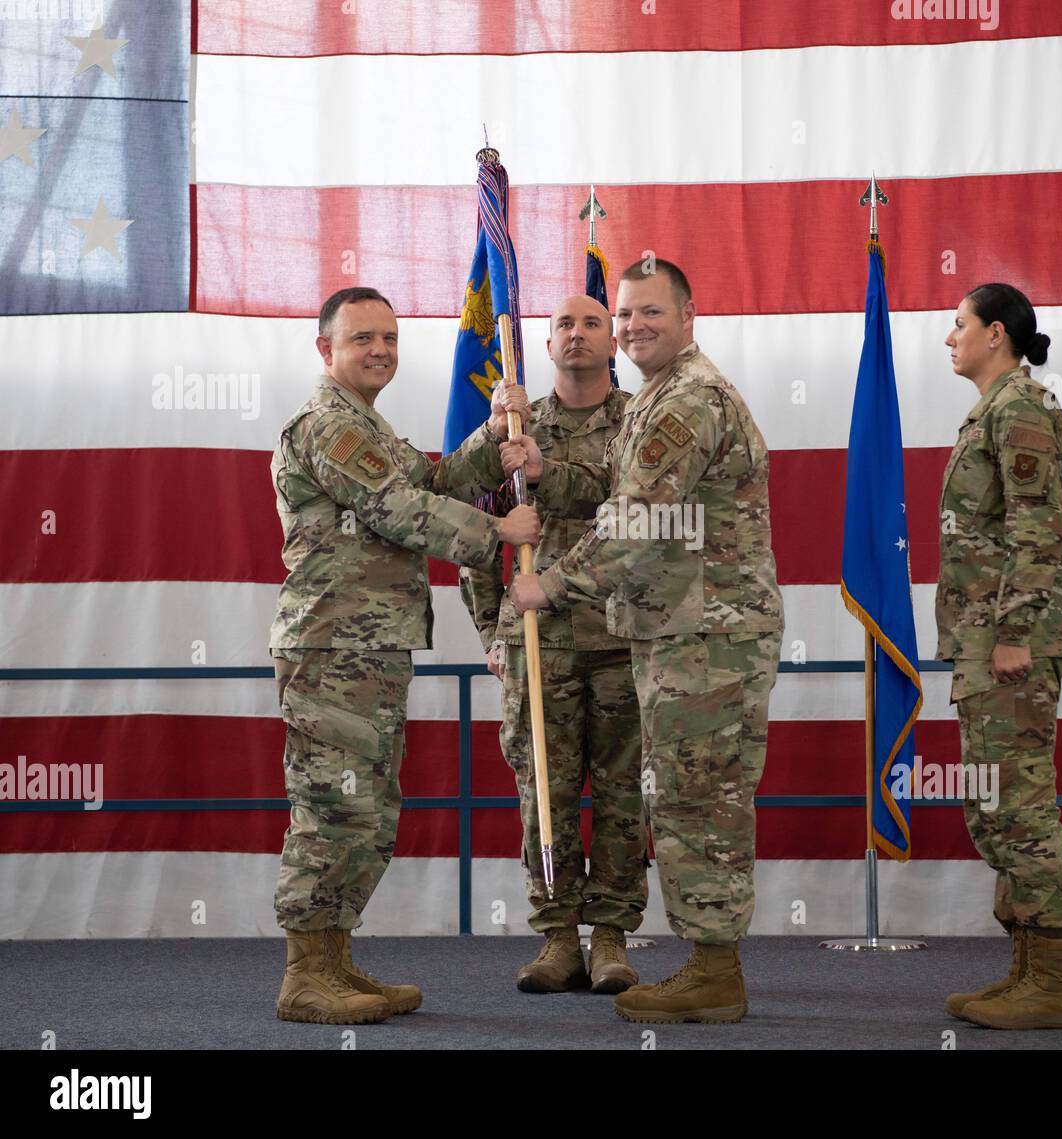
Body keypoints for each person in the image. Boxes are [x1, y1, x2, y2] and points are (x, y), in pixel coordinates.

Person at [503, 259, 783, 1024]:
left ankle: (714, 973)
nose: (631, 327)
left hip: (706, 636)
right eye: (624, 314)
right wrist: (536, 463)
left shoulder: (683, 400)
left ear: (688, 317)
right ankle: (707, 964)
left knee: (701, 805)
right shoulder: (657, 398)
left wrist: (549, 586)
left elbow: (635, 520)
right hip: (684, 632)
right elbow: (609, 494)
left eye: (648, 313)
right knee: (694, 802)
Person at [269, 286, 540, 1024]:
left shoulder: (372, 428)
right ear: (326, 349)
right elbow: (399, 509)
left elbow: (429, 482)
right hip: (332, 648)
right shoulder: (328, 426)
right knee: (330, 806)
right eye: (363, 339)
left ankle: (332, 954)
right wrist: (500, 534)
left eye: (390, 337)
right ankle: (304, 972)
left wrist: (489, 441)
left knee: (367, 808)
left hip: (369, 646)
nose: (381, 350)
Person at [461, 294, 646, 995]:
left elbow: (637, 510)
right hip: (540, 642)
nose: (577, 333)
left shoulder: (638, 420)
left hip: (624, 633)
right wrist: (489, 628)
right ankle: (558, 936)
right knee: (545, 790)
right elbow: (475, 529)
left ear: (614, 341)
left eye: (592, 323)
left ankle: (611, 936)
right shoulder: (513, 423)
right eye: (563, 324)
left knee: (627, 793)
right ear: (545, 344)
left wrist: (549, 476)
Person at [936, 282, 1062, 1030]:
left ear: (996, 333)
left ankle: (1054, 982)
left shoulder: (1021, 408)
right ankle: (1027, 967)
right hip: (983, 642)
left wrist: (1016, 633)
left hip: (1009, 644)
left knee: (1021, 806)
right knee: (993, 804)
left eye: (958, 324)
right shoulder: (993, 411)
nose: (948, 337)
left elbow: (1038, 527)